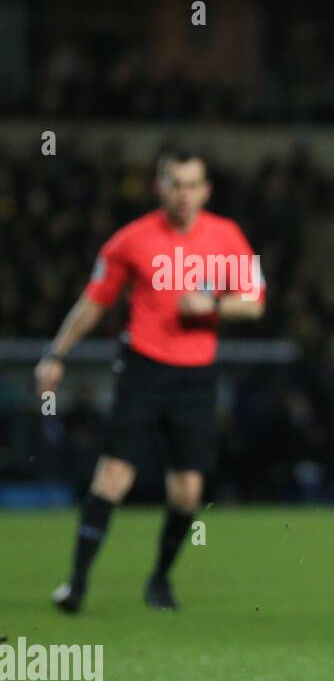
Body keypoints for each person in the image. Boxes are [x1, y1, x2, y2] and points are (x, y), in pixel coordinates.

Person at [36, 149, 266, 612]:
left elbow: (255, 302)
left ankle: (159, 580)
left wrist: (213, 307)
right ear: (160, 187)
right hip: (142, 368)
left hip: (196, 376)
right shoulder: (131, 241)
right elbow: (94, 300)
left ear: (206, 190)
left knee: (187, 491)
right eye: (175, 184)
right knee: (114, 475)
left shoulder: (226, 236)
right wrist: (56, 353)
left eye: (191, 184)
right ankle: (76, 585)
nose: (183, 194)